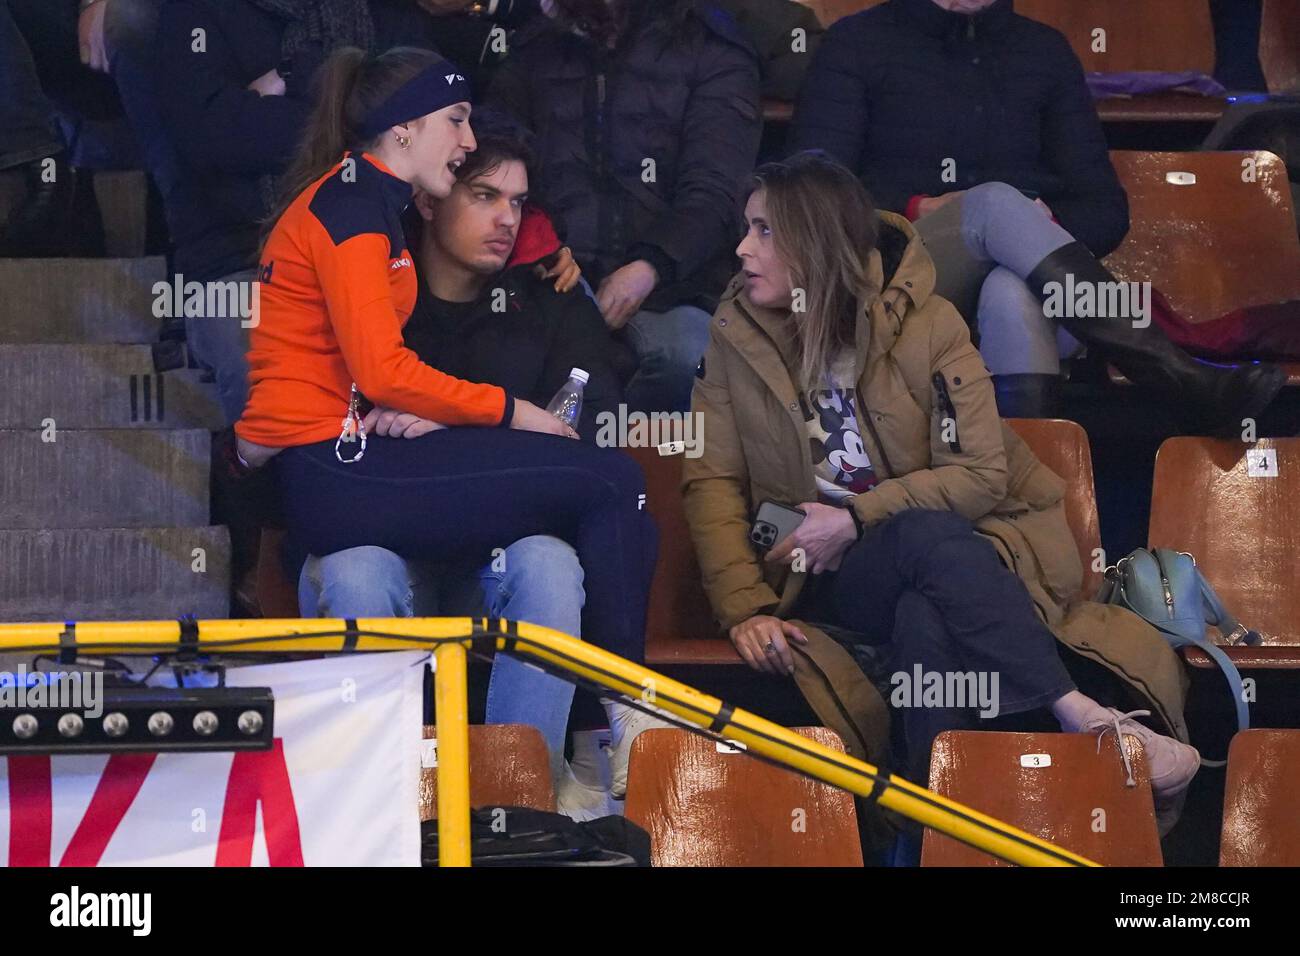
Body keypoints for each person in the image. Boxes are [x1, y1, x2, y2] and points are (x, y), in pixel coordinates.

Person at [682, 152, 1200, 838]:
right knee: (917, 548)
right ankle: (1082, 718)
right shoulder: (733, 336)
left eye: (765, 231)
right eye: (746, 229)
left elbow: (982, 474)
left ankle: (933, 842)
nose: (743, 249)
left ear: (814, 244)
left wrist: (858, 515)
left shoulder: (929, 326)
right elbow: (709, 479)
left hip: (978, 549)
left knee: (926, 617)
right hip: (830, 573)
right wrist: (745, 607)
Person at [234, 46, 664, 797]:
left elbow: (375, 346)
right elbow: (383, 371)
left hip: (334, 460)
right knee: (611, 480)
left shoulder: (366, 202)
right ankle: (622, 717)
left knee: (608, 485)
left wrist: (540, 243)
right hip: (332, 469)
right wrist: (514, 411)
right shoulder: (352, 209)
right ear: (403, 131)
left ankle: (556, 763)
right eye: (456, 121)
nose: (466, 141)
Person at [788, 0, 1283, 427]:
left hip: (1033, 285)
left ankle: (1021, 500)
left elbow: (1105, 209)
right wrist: (919, 207)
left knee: (1012, 289)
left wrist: (1037, 223)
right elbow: (811, 194)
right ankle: (1177, 375)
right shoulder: (856, 43)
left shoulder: (1042, 51)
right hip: (890, 273)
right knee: (996, 202)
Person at [487, 0, 763, 413]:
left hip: (673, 285)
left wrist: (650, 267)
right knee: (499, 349)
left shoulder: (709, 45)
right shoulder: (535, 47)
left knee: (685, 357)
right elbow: (498, 162)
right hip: (551, 272)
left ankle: (634, 461)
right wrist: (541, 246)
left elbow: (717, 190)